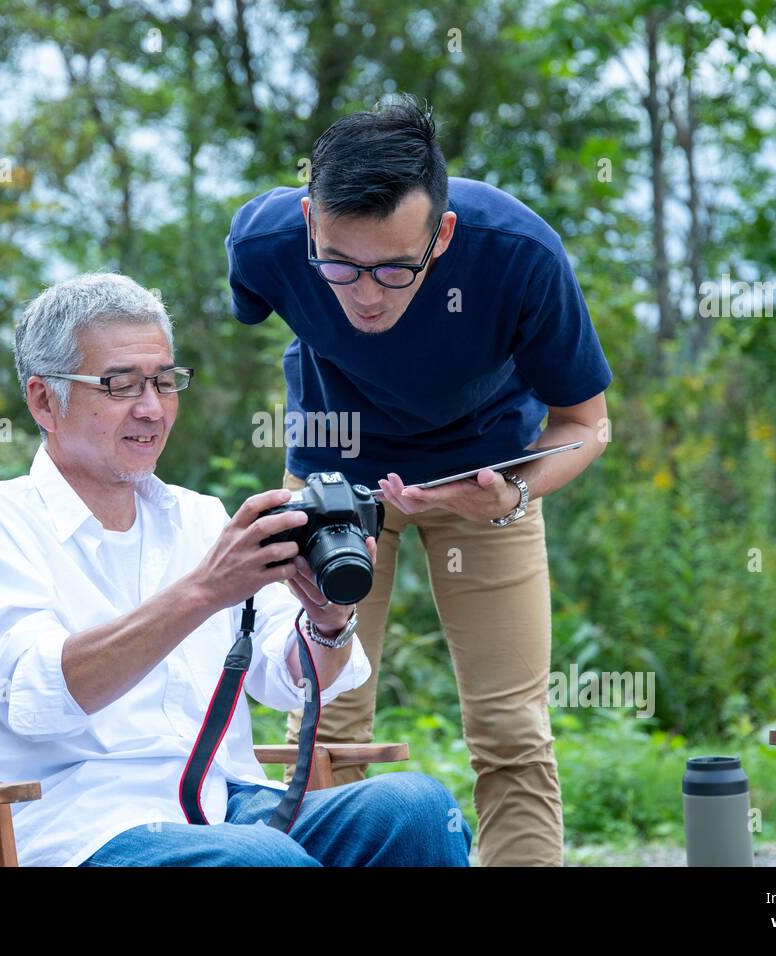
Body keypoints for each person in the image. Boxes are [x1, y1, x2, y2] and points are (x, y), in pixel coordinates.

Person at [0, 270, 473, 867]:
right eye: (120, 385)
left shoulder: (199, 518)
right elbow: (36, 697)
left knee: (417, 807)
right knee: (262, 861)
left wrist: (329, 618)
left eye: (164, 381)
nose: (152, 409)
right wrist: (204, 592)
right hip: (70, 829)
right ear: (44, 401)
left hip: (219, 804)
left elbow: (292, 676)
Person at [224, 95, 613, 866]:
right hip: (335, 482)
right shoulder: (265, 242)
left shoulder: (518, 255)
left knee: (511, 731)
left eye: (397, 268)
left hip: (485, 479)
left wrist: (517, 492)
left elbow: (585, 425)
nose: (367, 294)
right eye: (339, 264)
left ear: (443, 233)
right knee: (326, 716)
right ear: (308, 221)